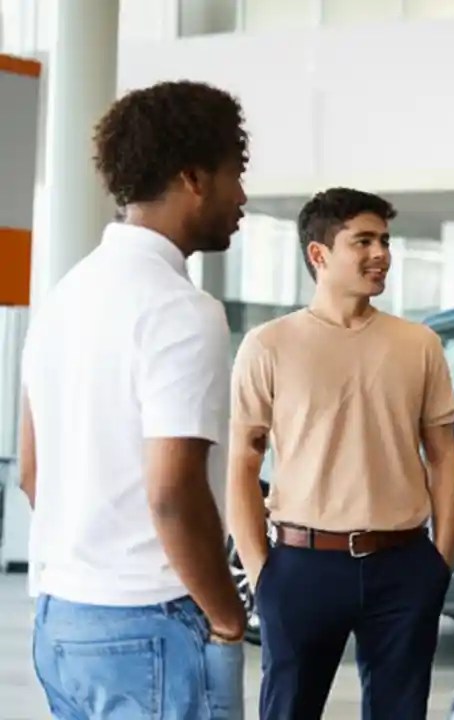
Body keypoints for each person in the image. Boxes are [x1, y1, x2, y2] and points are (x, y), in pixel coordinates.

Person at [20, 80, 249, 718]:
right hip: (152, 624)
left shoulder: (66, 295)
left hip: (62, 618)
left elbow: (33, 472)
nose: (243, 197)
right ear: (193, 177)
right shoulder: (182, 309)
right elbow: (173, 492)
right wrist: (227, 616)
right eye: (236, 173)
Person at [226, 187, 454, 720]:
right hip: (302, 565)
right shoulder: (269, 345)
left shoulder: (418, 343)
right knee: (288, 711)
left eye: (384, 240)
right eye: (363, 241)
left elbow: (444, 456)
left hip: (404, 564)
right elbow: (241, 463)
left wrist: (439, 560)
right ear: (319, 254)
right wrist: (262, 573)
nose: (381, 254)